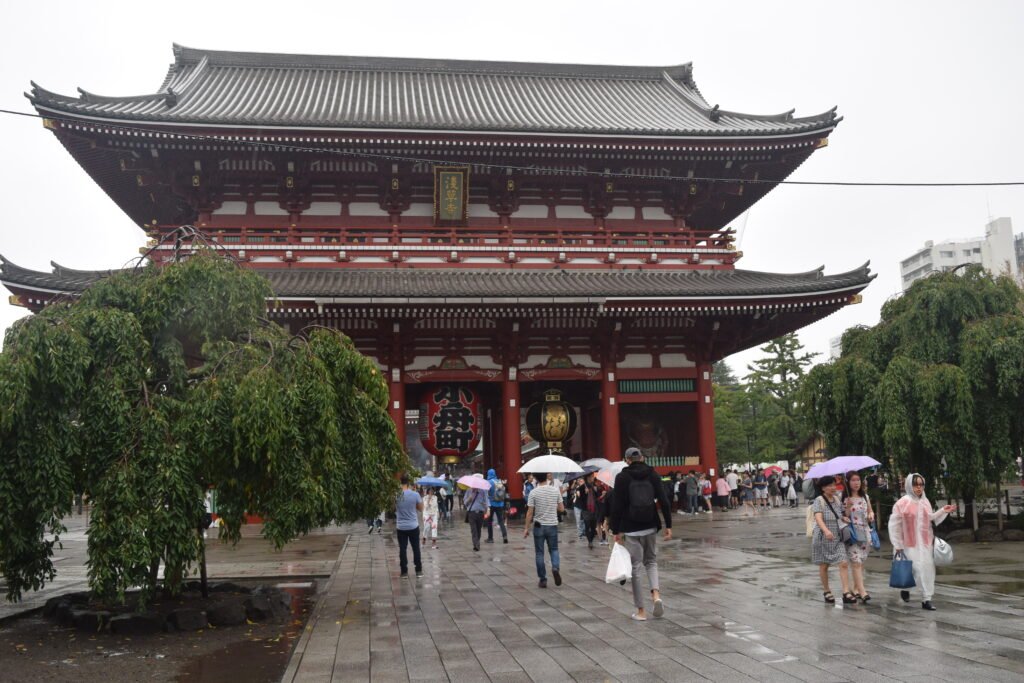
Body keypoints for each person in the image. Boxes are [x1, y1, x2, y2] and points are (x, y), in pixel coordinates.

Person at [610, 447, 673, 621]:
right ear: (642, 458)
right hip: (651, 524)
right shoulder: (652, 474)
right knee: (651, 561)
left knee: (636, 567)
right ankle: (656, 595)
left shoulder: (622, 477)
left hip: (631, 528)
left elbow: (617, 506)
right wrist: (668, 524)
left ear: (627, 459)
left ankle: (641, 611)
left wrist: (616, 530)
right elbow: (664, 500)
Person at [888, 473, 955, 610]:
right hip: (908, 544)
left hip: (925, 543)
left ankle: (926, 598)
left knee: (926, 569)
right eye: (915, 484)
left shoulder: (925, 501)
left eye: (921, 484)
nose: (919, 487)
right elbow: (894, 525)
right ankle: (906, 587)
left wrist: (943, 511)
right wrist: (897, 544)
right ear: (909, 485)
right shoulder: (902, 503)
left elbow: (930, 518)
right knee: (914, 568)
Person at [811, 476, 853, 604]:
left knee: (843, 562)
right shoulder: (819, 500)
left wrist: (848, 509)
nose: (833, 487)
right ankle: (826, 590)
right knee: (824, 565)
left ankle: (846, 592)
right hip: (823, 537)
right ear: (823, 488)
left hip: (837, 536)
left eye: (834, 485)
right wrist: (826, 530)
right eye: (830, 485)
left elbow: (842, 515)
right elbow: (818, 518)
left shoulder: (837, 499)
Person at [522, 473, 565, 588]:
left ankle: (543, 579)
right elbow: (561, 509)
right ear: (546, 477)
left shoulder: (533, 492)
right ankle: (555, 567)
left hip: (538, 526)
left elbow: (530, 512)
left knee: (540, 553)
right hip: (552, 525)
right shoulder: (555, 490)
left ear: (535, 479)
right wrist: (552, 505)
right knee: (554, 549)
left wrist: (526, 528)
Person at [842, 470, 873, 603]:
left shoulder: (865, 497)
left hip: (865, 532)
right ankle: (862, 591)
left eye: (858, 480)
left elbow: (870, 511)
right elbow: (843, 516)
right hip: (852, 534)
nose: (856, 483)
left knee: (861, 562)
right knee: (856, 562)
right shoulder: (844, 498)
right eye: (853, 480)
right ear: (848, 483)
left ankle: (855, 589)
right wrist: (848, 508)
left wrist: (871, 515)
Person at [395, 475, 423, 578]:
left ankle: (404, 572)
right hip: (413, 526)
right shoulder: (415, 495)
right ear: (409, 483)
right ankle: (418, 570)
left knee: (402, 549)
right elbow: (420, 509)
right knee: (416, 548)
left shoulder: (396, 495)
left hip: (401, 527)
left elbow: (393, 508)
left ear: (400, 482)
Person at [577, 471, 600, 548]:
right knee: (587, 526)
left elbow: (597, 497)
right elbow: (579, 499)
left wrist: (597, 491)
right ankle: (590, 541)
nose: (593, 478)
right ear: (588, 477)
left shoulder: (594, 486)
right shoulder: (581, 487)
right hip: (586, 509)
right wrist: (584, 493)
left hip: (594, 509)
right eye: (592, 476)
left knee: (593, 527)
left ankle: (591, 539)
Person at [485, 468, 509, 544]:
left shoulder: (488, 482)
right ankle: (504, 536)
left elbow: (486, 493)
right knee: (501, 521)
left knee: (489, 521)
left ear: (489, 474)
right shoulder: (499, 481)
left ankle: (490, 538)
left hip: (491, 504)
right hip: (500, 504)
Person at [464, 481, 489, 552]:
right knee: (473, 530)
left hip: (480, 513)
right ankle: (476, 545)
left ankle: (477, 542)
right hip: (471, 513)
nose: (474, 487)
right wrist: (469, 498)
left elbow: (486, 502)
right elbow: (465, 503)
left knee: (478, 530)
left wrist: (486, 509)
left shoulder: (483, 491)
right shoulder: (468, 491)